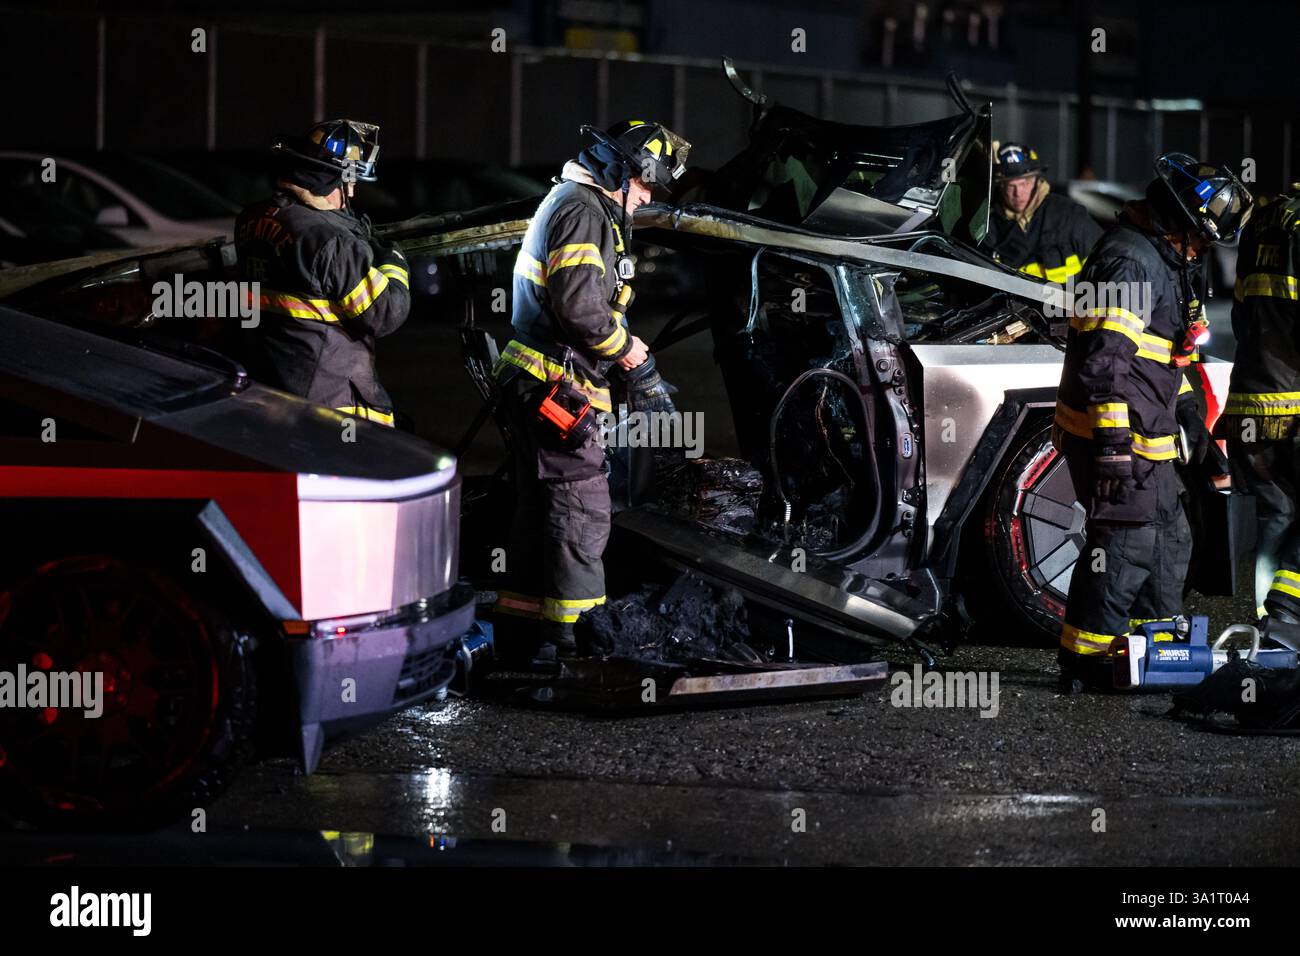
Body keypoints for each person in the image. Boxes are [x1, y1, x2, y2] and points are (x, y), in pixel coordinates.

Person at [491, 118, 690, 661]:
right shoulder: (583, 209)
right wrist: (633, 357)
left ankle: (525, 637)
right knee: (581, 511)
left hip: (540, 377)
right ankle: (581, 647)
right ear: (621, 172)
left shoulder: (578, 204)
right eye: (647, 184)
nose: (648, 197)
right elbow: (580, 309)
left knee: (542, 515)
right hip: (555, 383)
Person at [1054, 152, 1253, 690]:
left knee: (1169, 540)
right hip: (1118, 434)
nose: (1205, 248)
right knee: (1123, 545)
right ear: (1178, 221)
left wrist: (1192, 417)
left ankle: (1156, 648)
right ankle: (1086, 658)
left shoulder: (1166, 261)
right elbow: (1103, 360)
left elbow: (1166, 355)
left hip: (1153, 429)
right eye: (1202, 236)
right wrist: (1113, 442)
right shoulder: (1130, 262)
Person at [235, 119, 410, 425]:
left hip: (270, 396)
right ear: (329, 181)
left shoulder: (253, 219)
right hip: (330, 410)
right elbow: (384, 314)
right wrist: (394, 261)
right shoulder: (331, 241)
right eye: (350, 182)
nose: (352, 194)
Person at [1217, 186, 1300, 643]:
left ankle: (1270, 633)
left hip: (1252, 394)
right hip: (1292, 401)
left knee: (1275, 518)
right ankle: (1284, 627)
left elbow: (1245, 316)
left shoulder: (1264, 222)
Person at [985, 141, 1102, 284]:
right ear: (1001, 187)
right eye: (1011, 186)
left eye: (1024, 184)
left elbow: (1104, 263)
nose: (1018, 193)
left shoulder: (1068, 215)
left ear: (1036, 181)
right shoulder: (989, 228)